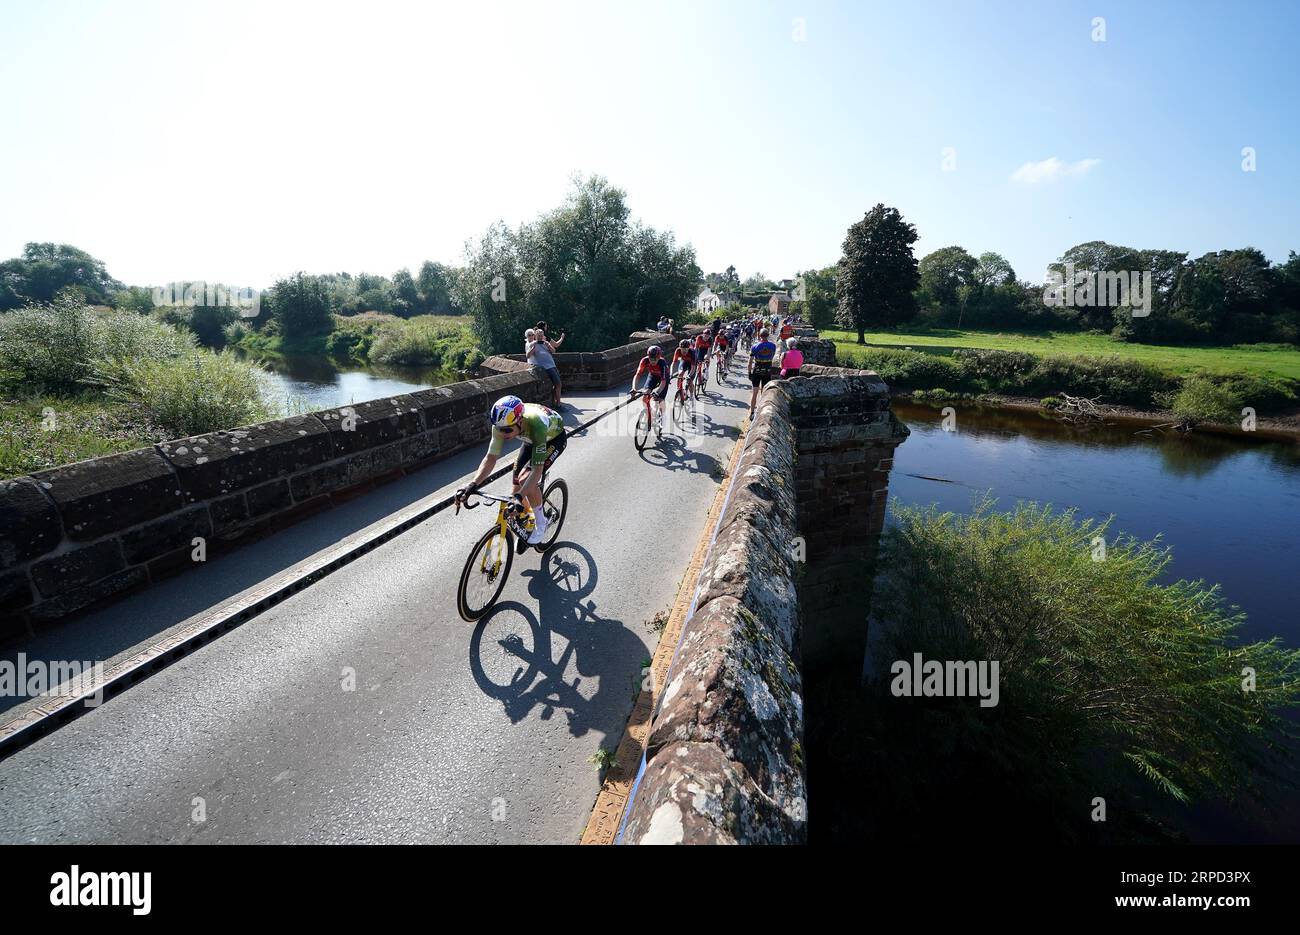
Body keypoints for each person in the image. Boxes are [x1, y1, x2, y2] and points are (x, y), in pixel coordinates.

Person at [456, 396, 566, 545]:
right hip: (529, 439)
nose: (503, 433)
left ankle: (541, 522)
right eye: (500, 429)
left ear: (520, 421)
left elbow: (537, 469)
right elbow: (490, 458)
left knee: (525, 480)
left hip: (552, 438)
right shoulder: (502, 425)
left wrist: (520, 497)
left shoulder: (536, 425)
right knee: (515, 484)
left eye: (508, 430)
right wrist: (472, 485)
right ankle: (526, 517)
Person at [632, 345, 670, 435]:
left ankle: (663, 417)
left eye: (655, 359)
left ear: (659, 357)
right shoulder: (644, 360)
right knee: (645, 395)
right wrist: (634, 388)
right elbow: (637, 375)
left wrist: (657, 392)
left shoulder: (662, 363)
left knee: (660, 399)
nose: (652, 361)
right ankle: (648, 413)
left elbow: (663, 382)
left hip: (663, 378)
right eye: (651, 359)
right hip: (652, 376)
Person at [526, 328, 563, 408]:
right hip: (546, 367)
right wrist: (534, 347)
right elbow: (528, 356)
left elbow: (554, 351)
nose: (540, 337)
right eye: (538, 335)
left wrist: (548, 345)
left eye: (541, 335)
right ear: (535, 336)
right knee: (558, 384)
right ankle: (558, 403)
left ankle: (556, 402)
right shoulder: (532, 344)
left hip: (552, 365)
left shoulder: (546, 343)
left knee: (557, 384)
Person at [747, 328, 778, 418]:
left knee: (755, 392)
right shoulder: (773, 346)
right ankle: (761, 412)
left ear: (759, 335)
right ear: (768, 335)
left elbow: (750, 362)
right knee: (764, 393)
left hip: (757, 370)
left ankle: (752, 413)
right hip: (767, 370)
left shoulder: (755, 346)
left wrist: (749, 373)